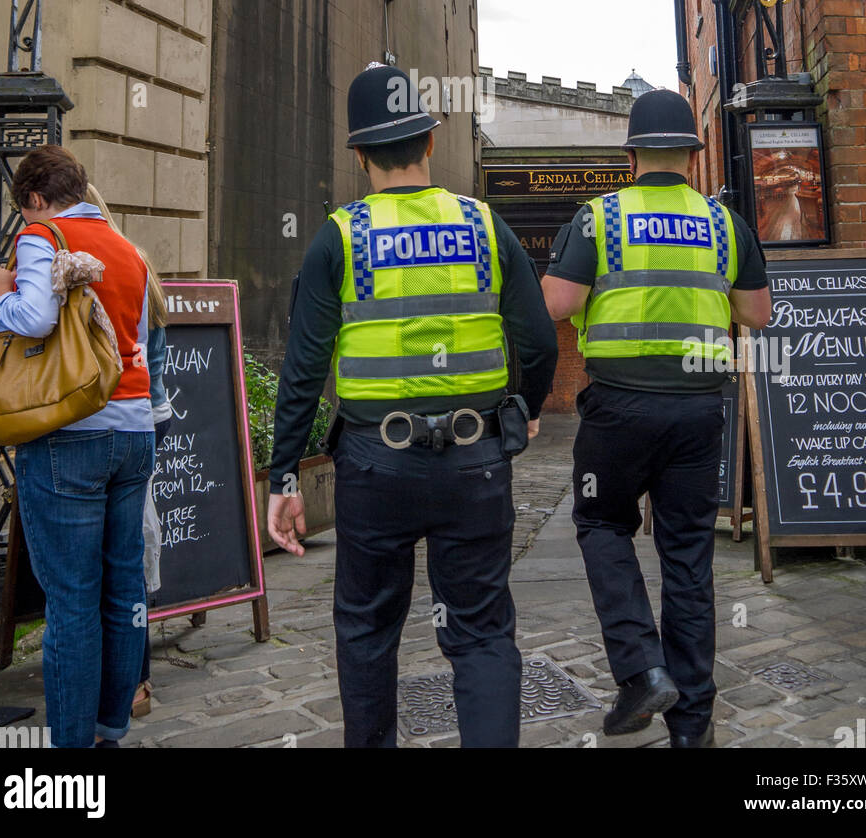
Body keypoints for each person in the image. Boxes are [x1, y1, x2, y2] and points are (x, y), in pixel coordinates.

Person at [268, 63, 558, 748]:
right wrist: (528, 405)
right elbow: (538, 338)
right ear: (428, 142)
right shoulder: (485, 225)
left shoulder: (338, 237)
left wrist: (284, 477)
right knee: (483, 631)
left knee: (368, 631)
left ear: (361, 154)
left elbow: (303, 370)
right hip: (476, 458)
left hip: (375, 464)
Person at [541, 89, 771, 748]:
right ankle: (691, 733)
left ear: (632, 152)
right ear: (693, 155)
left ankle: (641, 669)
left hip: (617, 409)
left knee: (600, 523)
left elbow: (556, 305)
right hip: (699, 412)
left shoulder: (598, 219)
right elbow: (757, 315)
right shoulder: (722, 222)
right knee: (688, 564)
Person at [0, 145, 155, 749]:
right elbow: (141, 339)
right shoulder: (128, 247)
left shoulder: (43, 234)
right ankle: (112, 727)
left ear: (32, 199)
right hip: (135, 431)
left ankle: (70, 751)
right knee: (123, 586)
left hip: (72, 433)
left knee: (73, 599)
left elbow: (31, 318)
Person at [84, 183, 170, 719]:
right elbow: (153, 354)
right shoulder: (138, 261)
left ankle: (123, 679)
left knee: (101, 559)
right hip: (148, 417)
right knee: (130, 547)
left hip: (101, 419)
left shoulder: (88, 267)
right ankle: (135, 681)